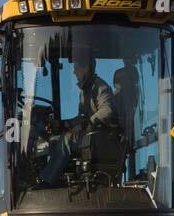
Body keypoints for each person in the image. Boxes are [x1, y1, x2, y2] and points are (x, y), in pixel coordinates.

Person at [39, 50, 118, 186]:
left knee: (66, 139)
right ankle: (57, 178)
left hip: (101, 139)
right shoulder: (85, 91)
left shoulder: (100, 87)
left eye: (76, 68)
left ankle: (47, 180)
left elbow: (107, 110)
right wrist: (64, 124)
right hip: (90, 135)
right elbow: (82, 117)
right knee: (52, 142)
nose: (74, 72)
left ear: (86, 68)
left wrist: (85, 124)